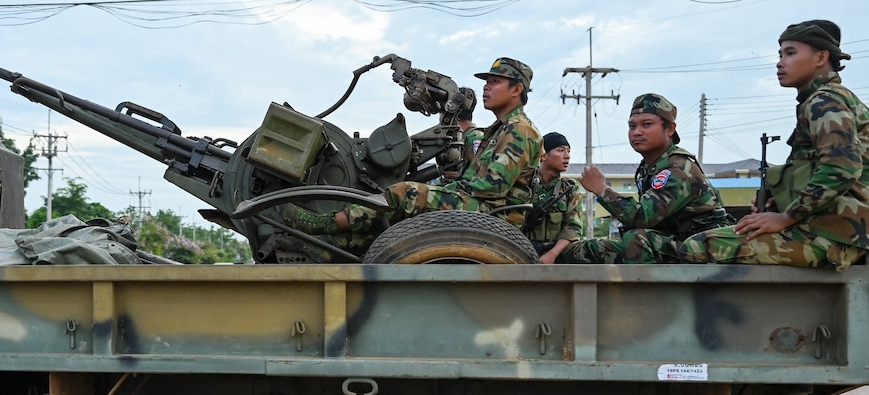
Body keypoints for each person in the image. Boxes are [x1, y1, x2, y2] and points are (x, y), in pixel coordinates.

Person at [281, 57, 543, 253]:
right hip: (485, 208)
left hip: (494, 215)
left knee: (405, 193)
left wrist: (447, 189)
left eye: (495, 82)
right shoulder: (501, 128)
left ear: (516, 89)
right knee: (395, 220)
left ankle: (326, 224)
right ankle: (331, 246)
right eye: (486, 82)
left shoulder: (519, 129)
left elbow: (493, 187)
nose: (486, 87)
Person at [680, 20, 869, 270]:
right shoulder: (829, 98)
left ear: (821, 57)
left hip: (832, 236)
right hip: (835, 231)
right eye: (780, 55)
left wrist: (785, 217)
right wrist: (778, 202)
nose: (780, 62)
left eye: (791, 53)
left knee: (698, 247)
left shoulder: (823, 102)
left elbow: (842, 168)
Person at [561, 93, 733, 264]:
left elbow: (642, 218)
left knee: (636, 238)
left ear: (670, 129)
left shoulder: (678, 168)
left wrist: (601, 189)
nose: (636, 132)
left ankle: (642, 284)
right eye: (632, 126)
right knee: (585, 249)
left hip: (700, 249)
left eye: (647, 124)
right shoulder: (651, 166)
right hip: (672, 243)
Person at [524, 132, 585, 263]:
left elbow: (573, 228)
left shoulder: (569, 189)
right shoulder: (524, 185)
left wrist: (552, 254)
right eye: (561, 150)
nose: (567, 156)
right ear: (543, 155)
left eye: (568, 151)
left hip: (557, 252)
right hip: (523, 248)